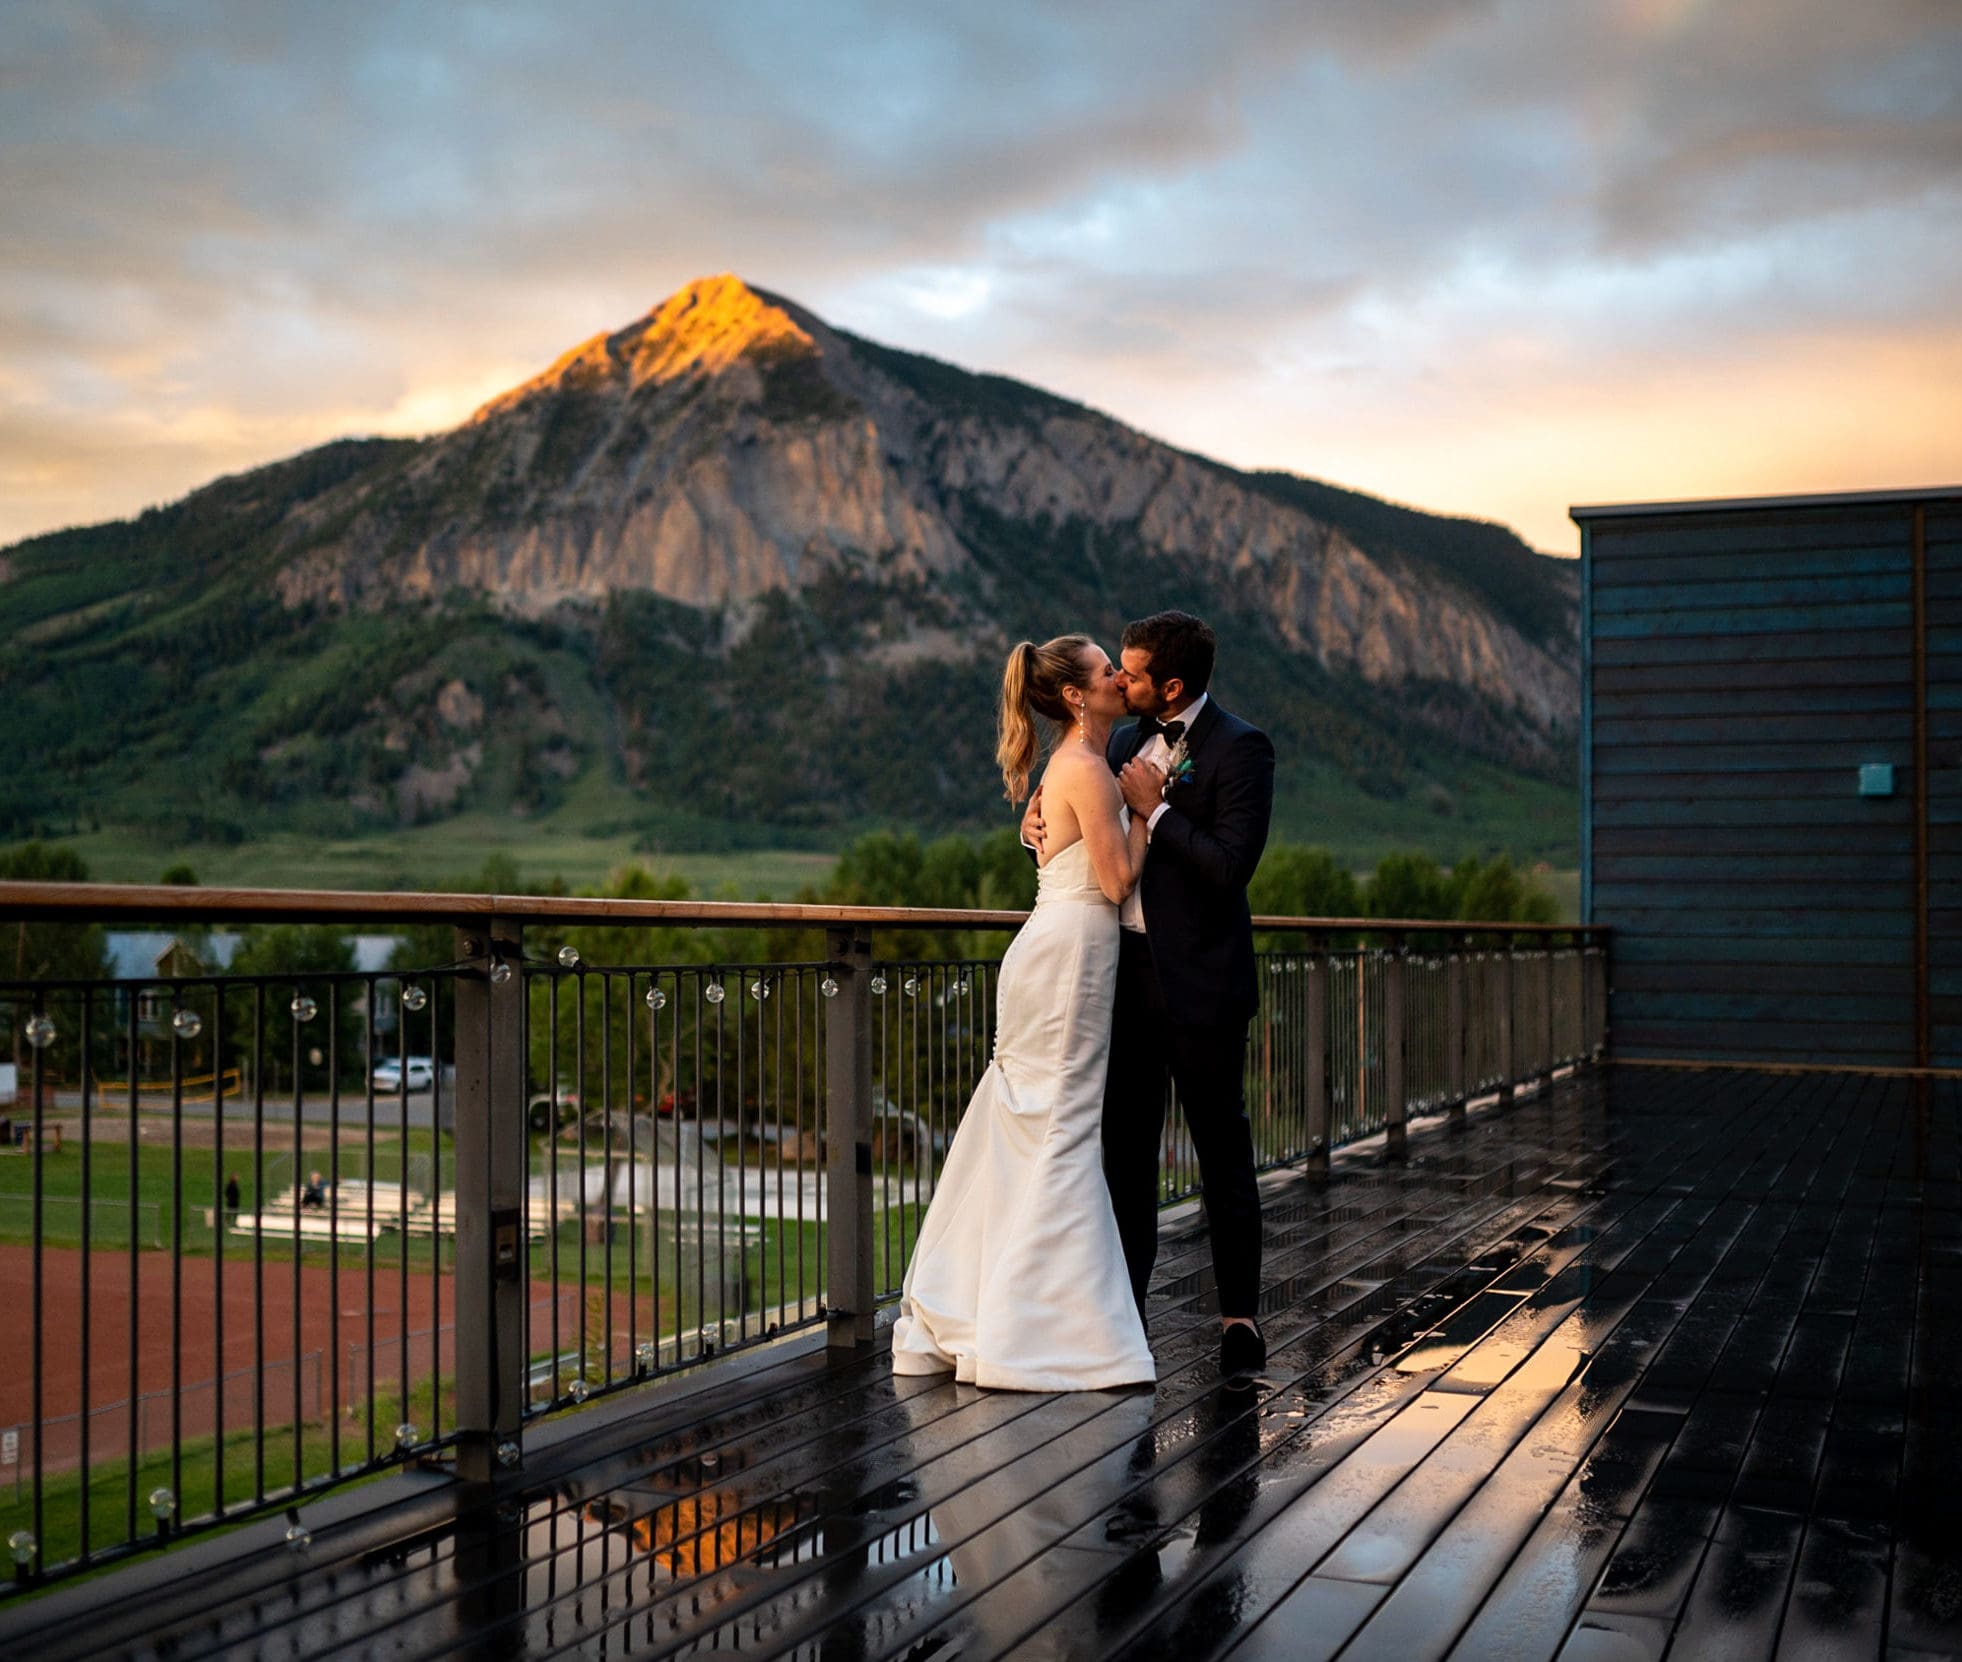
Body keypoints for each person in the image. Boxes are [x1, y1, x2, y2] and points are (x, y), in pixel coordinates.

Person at [890, 636, 1156, 1390]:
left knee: (1039, 1122)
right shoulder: (1090, 771)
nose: (1117, 678)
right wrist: (1144, 812)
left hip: (1053, 953)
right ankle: (1039, 1323)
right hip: (1071, 958)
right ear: (1077, 696)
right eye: (1108, 671)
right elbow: (1114, 882)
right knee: (1061, 1125)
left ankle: (1007, 1301)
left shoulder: (1068, 767)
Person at [1023, 611, 1275, 1378]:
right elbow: (1075, 788)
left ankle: (1239, 1319)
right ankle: (1126, 1317)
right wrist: (1037, 815)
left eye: (1129, 672)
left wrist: (1157, 811)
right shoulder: (1125, 741)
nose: (1120, 681)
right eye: (1117, 670)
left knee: (1221, 1154)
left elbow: (1231, 867)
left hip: (1202, 986)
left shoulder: (1243, 749)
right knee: (1125, 1160)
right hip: (1122, 985)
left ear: (1169, 685)